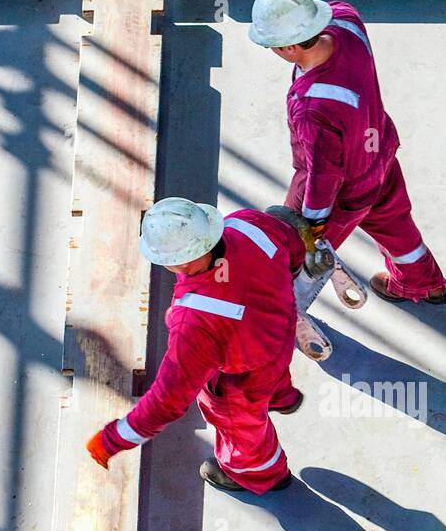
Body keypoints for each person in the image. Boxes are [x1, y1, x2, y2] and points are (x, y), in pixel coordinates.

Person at [249, 0, 446, 305]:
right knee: (396, 227)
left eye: (271, 44)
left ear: (289, 48)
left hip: (347, 191)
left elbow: (324, 174)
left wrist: (314, 225)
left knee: (294, 253)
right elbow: (336, 8)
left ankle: (279, 311)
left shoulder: (312, 107)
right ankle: (426, 284)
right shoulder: (346, 21)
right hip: (379, 154)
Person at [86, 198, 307, 493]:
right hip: (279, 333)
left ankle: (260, 475)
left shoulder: (196, 323)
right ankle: (282, 396)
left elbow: (168, 399)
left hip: (242, 376)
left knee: (241, 431)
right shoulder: (249, 223)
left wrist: (112, 439)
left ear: (180, 261)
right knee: (273, 375)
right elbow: (293, 250)